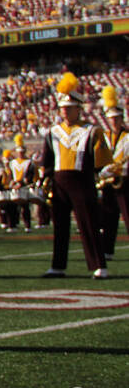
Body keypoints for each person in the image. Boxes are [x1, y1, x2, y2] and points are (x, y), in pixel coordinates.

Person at [40, 73, 111, 280]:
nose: (65, 111)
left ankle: (99, 265)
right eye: (62, 108)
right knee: (60, 225)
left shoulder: (91, 131)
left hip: (82, 181)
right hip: (59, 182)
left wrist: (101, 175)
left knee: (88, 224)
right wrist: (46, 177)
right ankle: (57, 266)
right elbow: (48, 159)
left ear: (79, 109)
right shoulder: (53, 132)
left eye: (69, 107)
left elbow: (101, 159)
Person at [100, 88, 128, 258]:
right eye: (111, 119)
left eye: (116, 119)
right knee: (108, 216)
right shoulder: (103, 135)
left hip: (124, 180)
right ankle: (107, 250)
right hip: (108, 181)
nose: (114, 122)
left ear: (121, 118)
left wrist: (119, 168)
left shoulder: (128, 136)